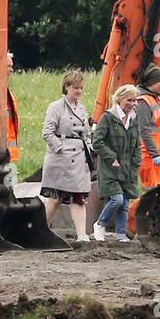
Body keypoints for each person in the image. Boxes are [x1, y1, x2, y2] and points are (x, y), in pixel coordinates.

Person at [41, 70, 94, 243]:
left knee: (78, 197)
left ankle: (81, 234)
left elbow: (85, 132)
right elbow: (47, 132)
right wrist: (60, 149)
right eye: (75, 88)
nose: (78, 91)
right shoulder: (55, 107)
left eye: (81, 88)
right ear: (66, 87)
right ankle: (41, 229)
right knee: (55, 198)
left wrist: (88, 146)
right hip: (60, 159)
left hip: (79, 158)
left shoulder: (82, 108)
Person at [90, 85, 141, 243]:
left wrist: (136, 163)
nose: (132, 103)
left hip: (127, 169)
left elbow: (137, 144)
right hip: (109, 169)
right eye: (129, 100)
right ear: (119, 99)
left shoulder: (133, 119)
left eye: (134, 100)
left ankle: (121, 235)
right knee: (117, 199)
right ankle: (100, 224)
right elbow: (97, 141)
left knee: (125, 203)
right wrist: (111, 157)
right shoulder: (108, 117)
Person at [135, 64, 160, 188]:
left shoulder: (157, 100)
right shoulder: (143, 102)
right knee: (151, 192)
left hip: (158, 156)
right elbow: (144, 131)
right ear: (152, 82)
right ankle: (135, 209)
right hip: (148, 157)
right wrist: (154, 154)